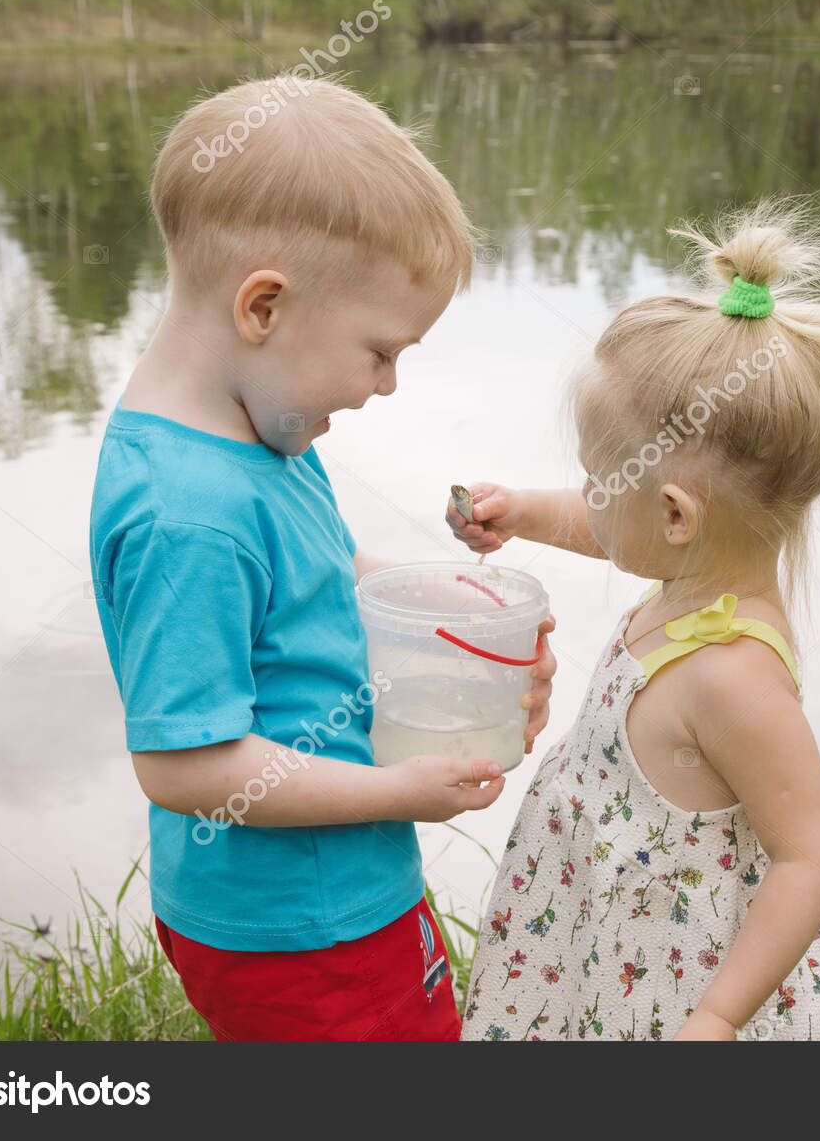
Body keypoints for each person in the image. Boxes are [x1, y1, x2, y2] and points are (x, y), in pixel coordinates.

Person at [88, 76, 557, 1041]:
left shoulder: (260, 433)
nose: (387, 384)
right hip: (290, 930)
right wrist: (398, 792)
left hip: (343, 889)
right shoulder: (189, 518)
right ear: (264, 305)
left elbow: (329, 574)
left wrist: (462, 621)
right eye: (380, 351)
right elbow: (185, 765)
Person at [447, 197, 820, 1040]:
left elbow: (811, 858)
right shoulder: (696, 571)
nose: (584, 495)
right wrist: (526, 513)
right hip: (614, 956)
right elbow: (615, 527)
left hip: (685, 992)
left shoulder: (734, 675)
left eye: (592, 476)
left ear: (675, 513)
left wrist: (718, 1018)